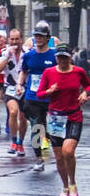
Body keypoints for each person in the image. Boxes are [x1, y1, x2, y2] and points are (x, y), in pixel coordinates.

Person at [36, 47, 89, 196]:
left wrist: (85, 93)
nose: (62, 61)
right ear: (56, 58)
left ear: (70, 58)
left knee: (68, 151)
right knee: (59, 157)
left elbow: (88, 85)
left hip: (73, 116)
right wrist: (49, 91)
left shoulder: (78, 71)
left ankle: (73, 184)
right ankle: (65, 186)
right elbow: (39, 94)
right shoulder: (49, 73)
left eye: (65, 58)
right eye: (59, 58)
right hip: (55, 119)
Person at [19, 22, 59, 171]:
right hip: (33, 96)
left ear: (47, 37)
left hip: (51, 97)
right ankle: (39, 158)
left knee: (52, 127)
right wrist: (19, 84)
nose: (39, 38)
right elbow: (23, 71)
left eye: (41, 36)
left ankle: (57, 153)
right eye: (36, 36)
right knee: (36, 127)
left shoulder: (54, 56)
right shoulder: (29, 55)